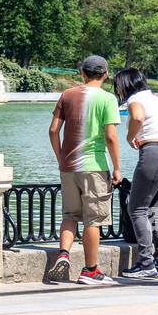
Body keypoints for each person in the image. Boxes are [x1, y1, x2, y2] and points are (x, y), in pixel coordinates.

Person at [46, 56, 121, 286]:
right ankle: (90, 270)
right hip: (94, 167)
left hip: (68, 167)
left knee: (70, 215)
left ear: (83, 73)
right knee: (93, 220)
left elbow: (53, 130)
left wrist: (61, 158)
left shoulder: (67, 95)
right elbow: (110, 136)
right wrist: (117, 167)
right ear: (106, 74)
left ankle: (64, 254)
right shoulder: (108, 99)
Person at [115, 68, 158, 280]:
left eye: (118, 86)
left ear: (125, 85)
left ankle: (146, 263)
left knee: (136, 209)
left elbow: (137, 117)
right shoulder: (156, 100)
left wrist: (131, 138)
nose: (117, 90)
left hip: (153, 155)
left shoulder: (136, 100)